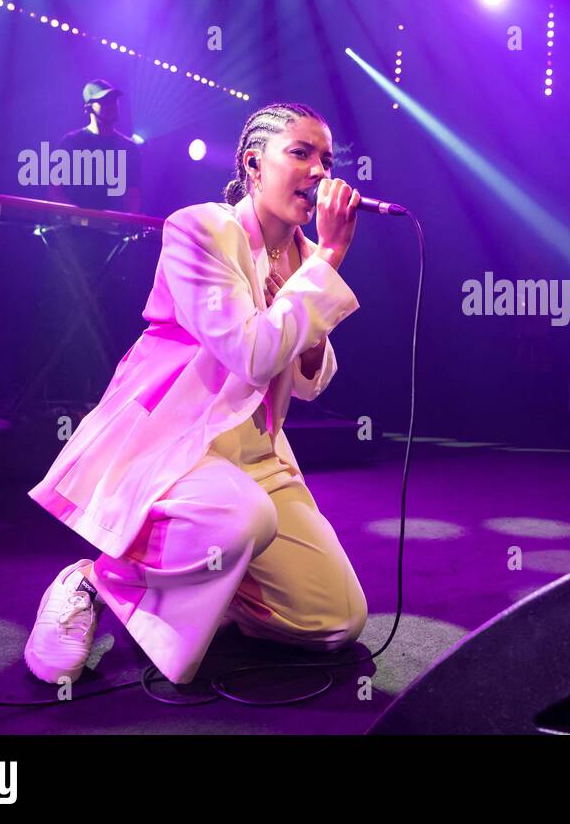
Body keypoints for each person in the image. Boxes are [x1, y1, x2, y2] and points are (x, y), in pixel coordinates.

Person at [23, 102, 366, 687]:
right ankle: (93, 580)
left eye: (326, 160)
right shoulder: (201, 229)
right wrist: (330, 260)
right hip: (182, 444)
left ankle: (218, 590)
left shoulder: (304, 256)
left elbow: (310, 380)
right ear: (255, 165)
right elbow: (253, 353)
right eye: (301, 153)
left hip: (258, 454)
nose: (319, 172)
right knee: (241, 518)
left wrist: (312, 289)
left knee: (337, 620)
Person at [46, 79, 143, 215]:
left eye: (114, 100)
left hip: (114, 232)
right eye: (105, 101)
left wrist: (129, 225)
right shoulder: (71, 142)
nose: (112, 105)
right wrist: (77, 215)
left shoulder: (129, 148)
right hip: (74, 229)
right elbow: (54, 190)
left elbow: (133, 195)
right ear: (88, 107)